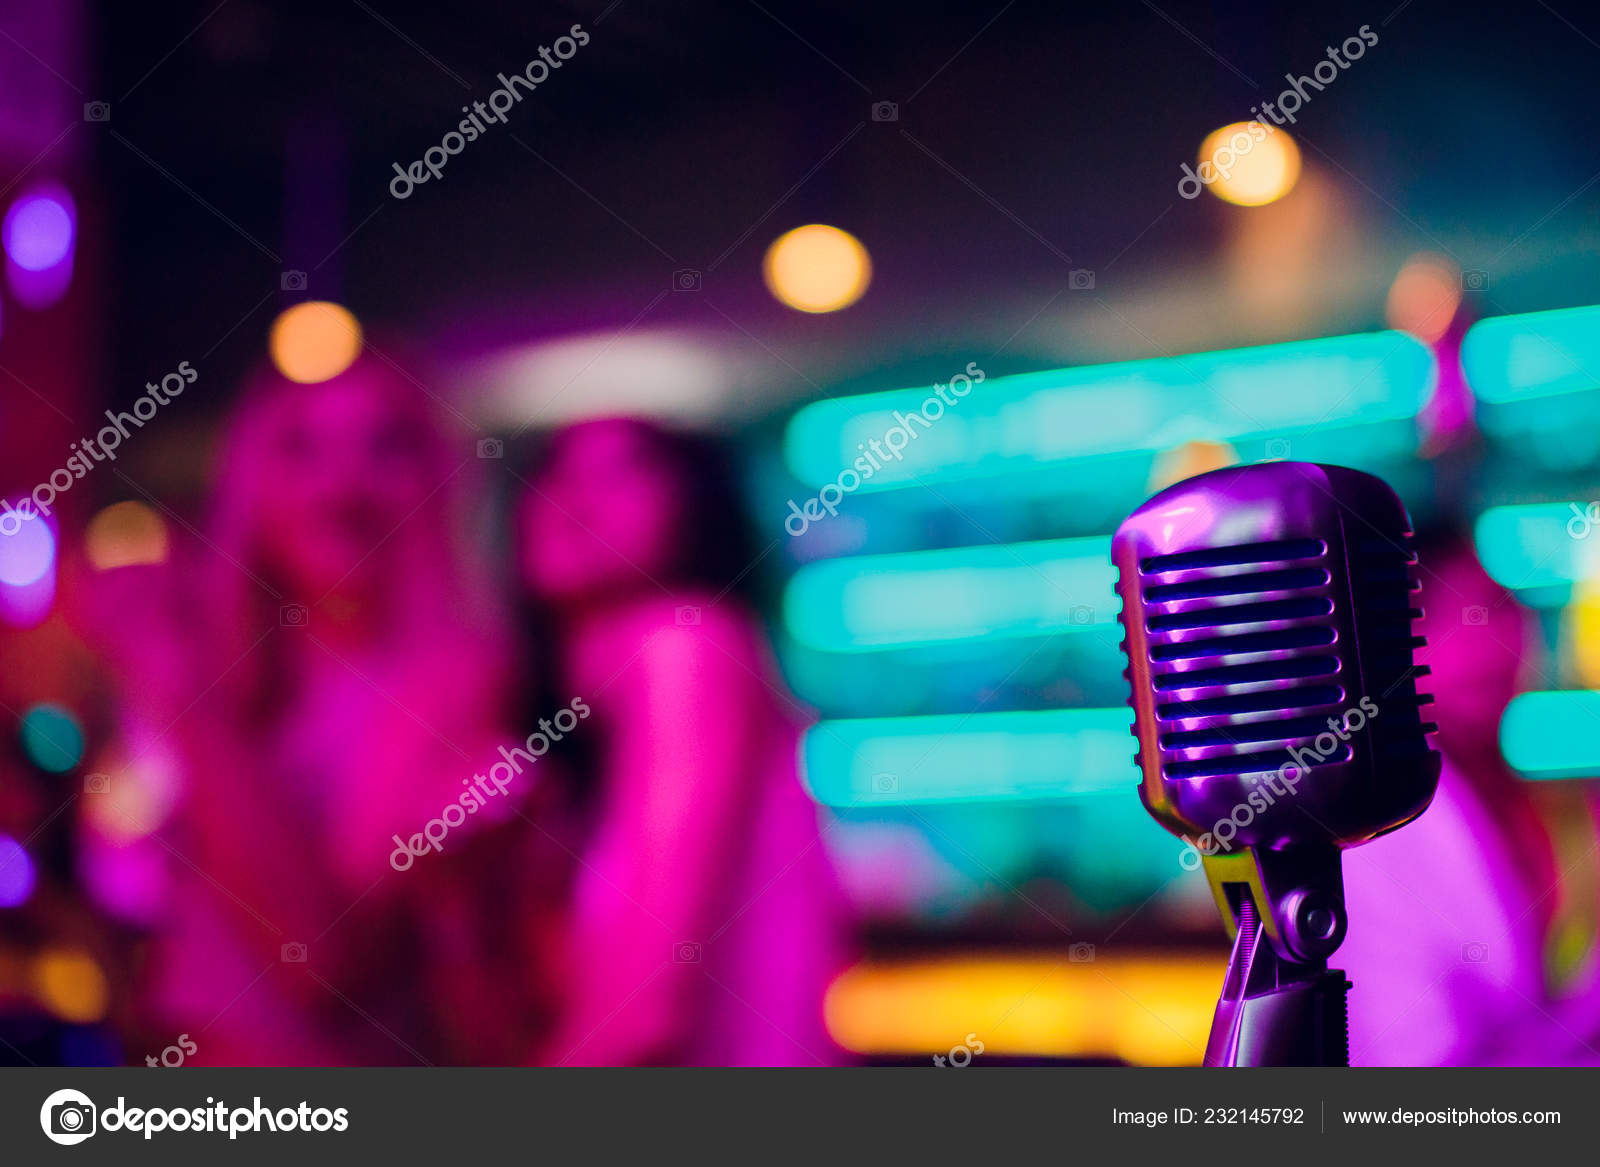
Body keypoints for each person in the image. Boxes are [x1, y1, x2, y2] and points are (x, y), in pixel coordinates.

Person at [89, 353, 558, 1064]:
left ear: (438, 476)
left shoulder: (458, 676)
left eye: (386, 445)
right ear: (253, 484)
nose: (344, 485)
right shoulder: (243, 671)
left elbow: (323, 962)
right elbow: (130, 883)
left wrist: (179, 689)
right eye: (302, 448)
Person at [517, 417, 850, 1065]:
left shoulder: (685, 646)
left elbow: (642, 1012)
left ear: (696, 511)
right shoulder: (588, 721)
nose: (577, 498)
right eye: (557, 470)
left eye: (623, 470)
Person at [1339, 532, 1599, 1065]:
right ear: (1399, 643)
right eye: (1462, 619)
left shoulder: (1550, 801)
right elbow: (1412, 1057)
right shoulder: (1374, 830)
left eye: (1499, 613)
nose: (1488, 644)